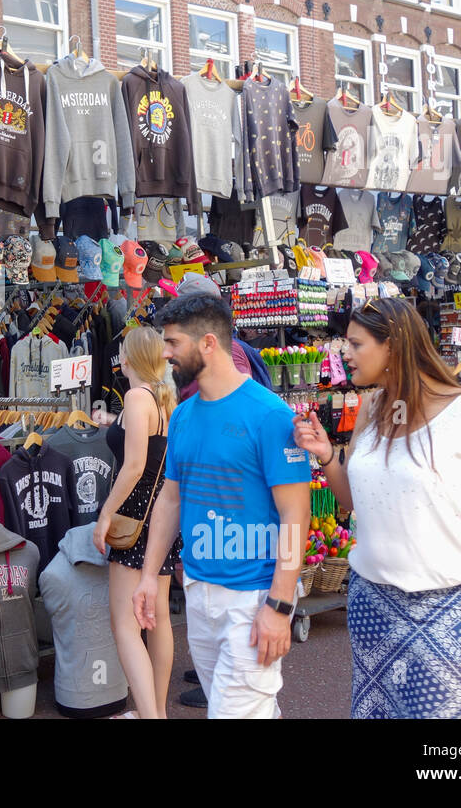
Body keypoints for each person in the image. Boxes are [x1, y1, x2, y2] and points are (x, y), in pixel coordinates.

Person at [292, 297, 461, 718]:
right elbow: (357, 503)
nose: (343, 353)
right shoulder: (371, 407)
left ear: (394, 346)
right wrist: (327, 456)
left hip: (453, 609)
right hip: (372, 606)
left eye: (355, 343)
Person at [134, 293, 310, 719]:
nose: (165, 353)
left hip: (252, 598)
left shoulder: (270, 415)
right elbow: (171, 498)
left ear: (208, 344)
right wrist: (146, 576)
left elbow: (295, 515)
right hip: (200, 592)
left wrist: (280, 605)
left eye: (173, 342)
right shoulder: (182, 415)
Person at [92, 326, 177, 719]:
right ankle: (154, 711)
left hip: (135, 518)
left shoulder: (137, 396)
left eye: (123, 351)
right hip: (161, 515)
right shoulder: (164, 399)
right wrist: (111, 422)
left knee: (126, 624)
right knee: (156, 616)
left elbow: (134, 466)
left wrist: (105, 512)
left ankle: (150, 715)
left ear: (130, 358)